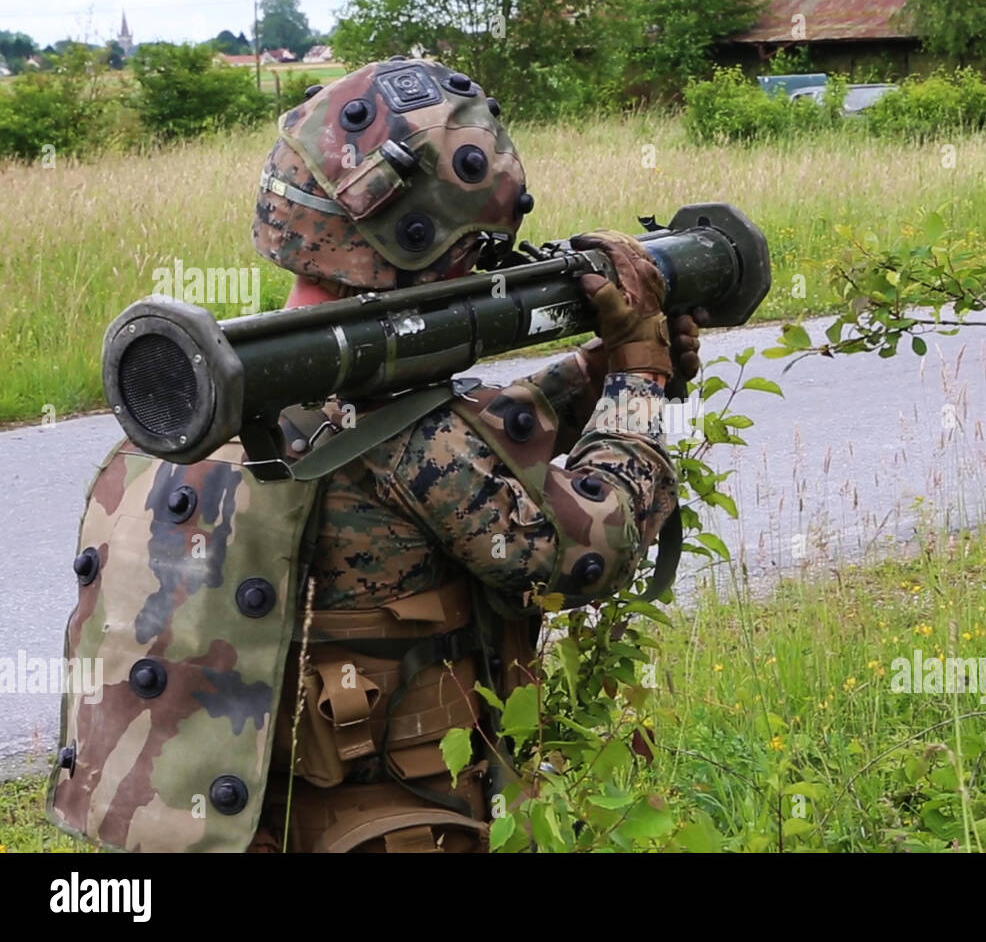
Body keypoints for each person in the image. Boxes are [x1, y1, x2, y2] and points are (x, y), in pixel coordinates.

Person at [47, 58, 705, 853]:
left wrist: (586, 376)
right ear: (431, 240)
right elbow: (588, 553)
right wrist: (639, 374)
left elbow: (461, 440)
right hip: (382, 829)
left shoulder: (204, 400)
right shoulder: (410, 442)